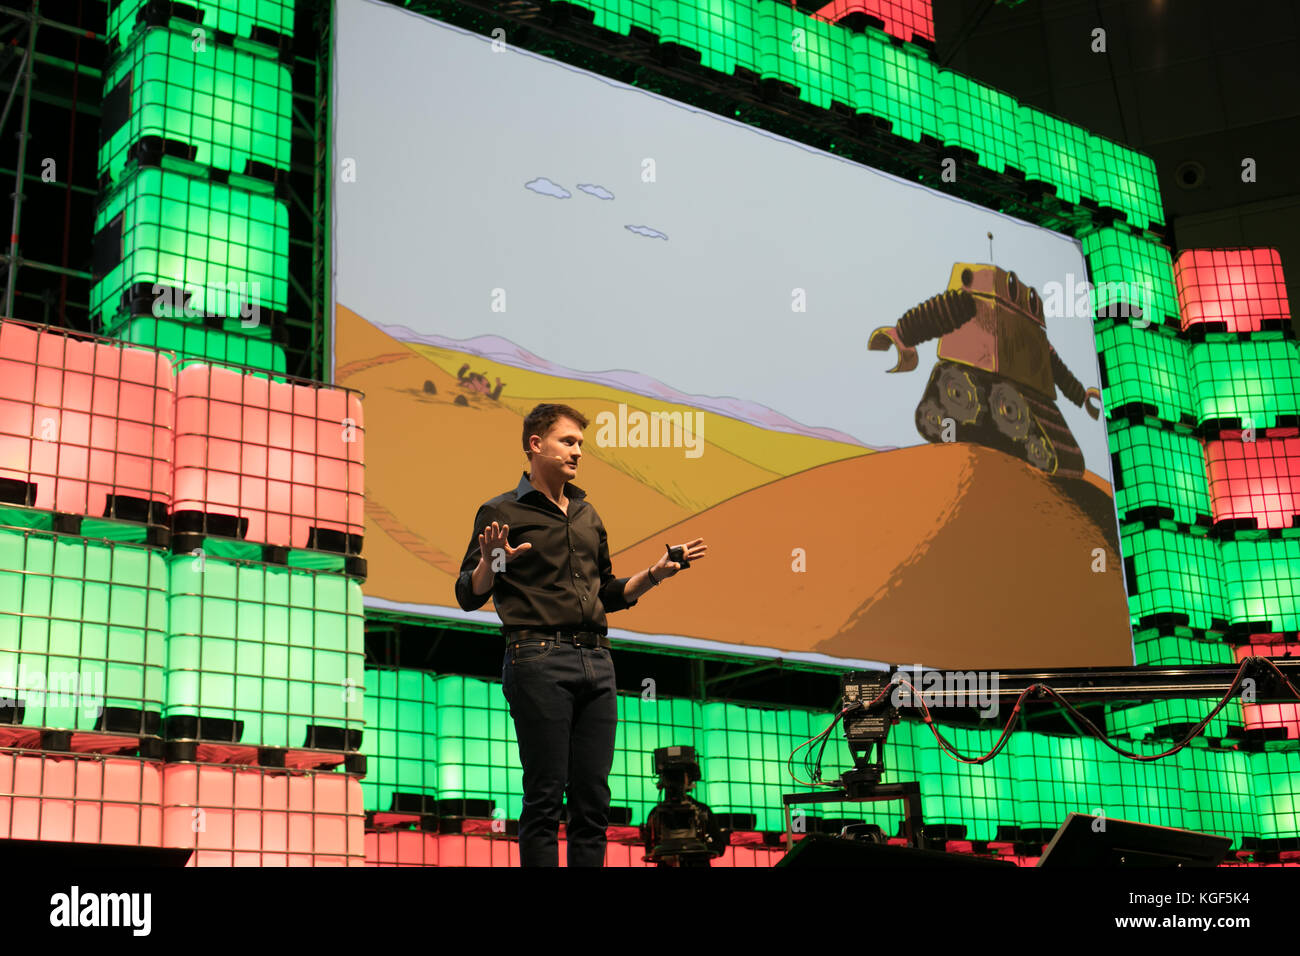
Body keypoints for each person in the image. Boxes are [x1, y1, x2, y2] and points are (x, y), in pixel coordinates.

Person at [455, 402, 707, 867]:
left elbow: (605, 592)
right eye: (568, 442)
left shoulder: (588, 515)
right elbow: (468, 595)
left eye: (581, 445)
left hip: (598, 661)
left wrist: (655, 573)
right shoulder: (500, 511)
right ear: (536, 444)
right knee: (545, 795)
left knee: (593, 801)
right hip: (537, 658)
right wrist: (492, 561)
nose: (578, 452)